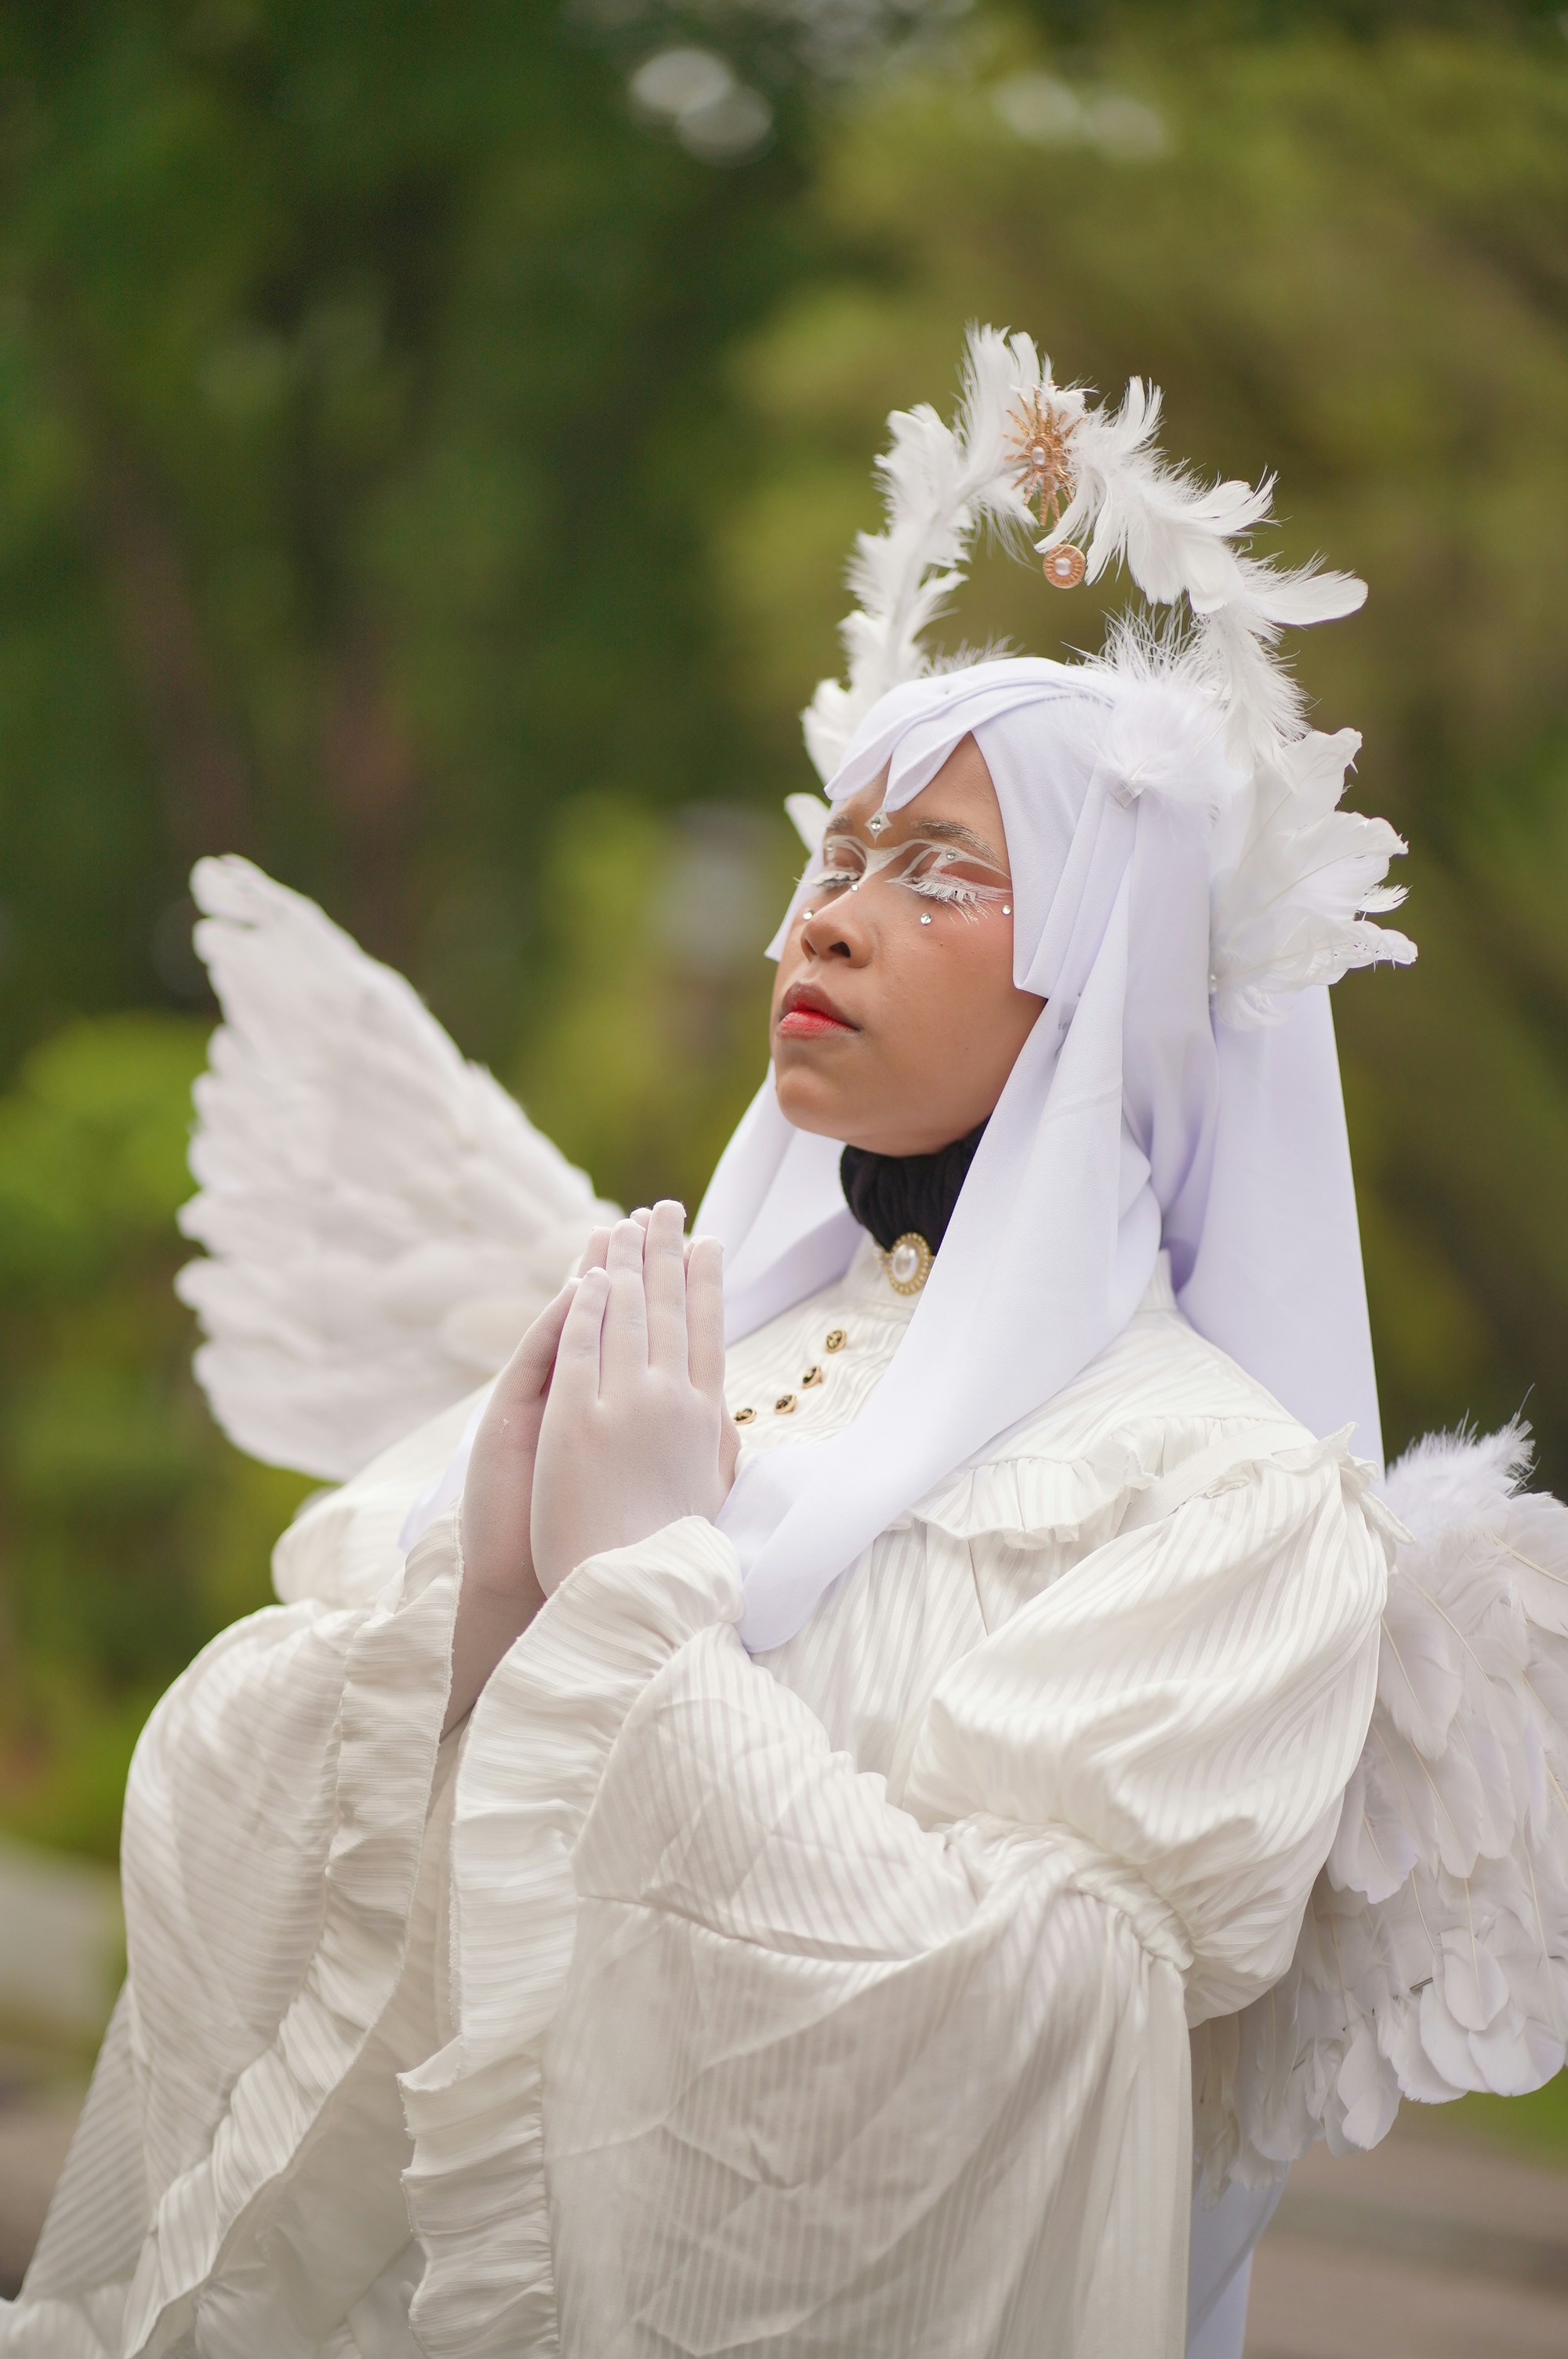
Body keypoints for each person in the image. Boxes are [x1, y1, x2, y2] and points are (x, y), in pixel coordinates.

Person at [5, 328, 1565, 2359]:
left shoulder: (1225, 1502)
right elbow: (231, 1813)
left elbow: (1039, 2038)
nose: (826, 917)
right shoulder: (680, 1352)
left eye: (940, 875)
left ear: (1110, 986)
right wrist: (478, 1609)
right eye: (835, 856)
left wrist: (643, 1600)